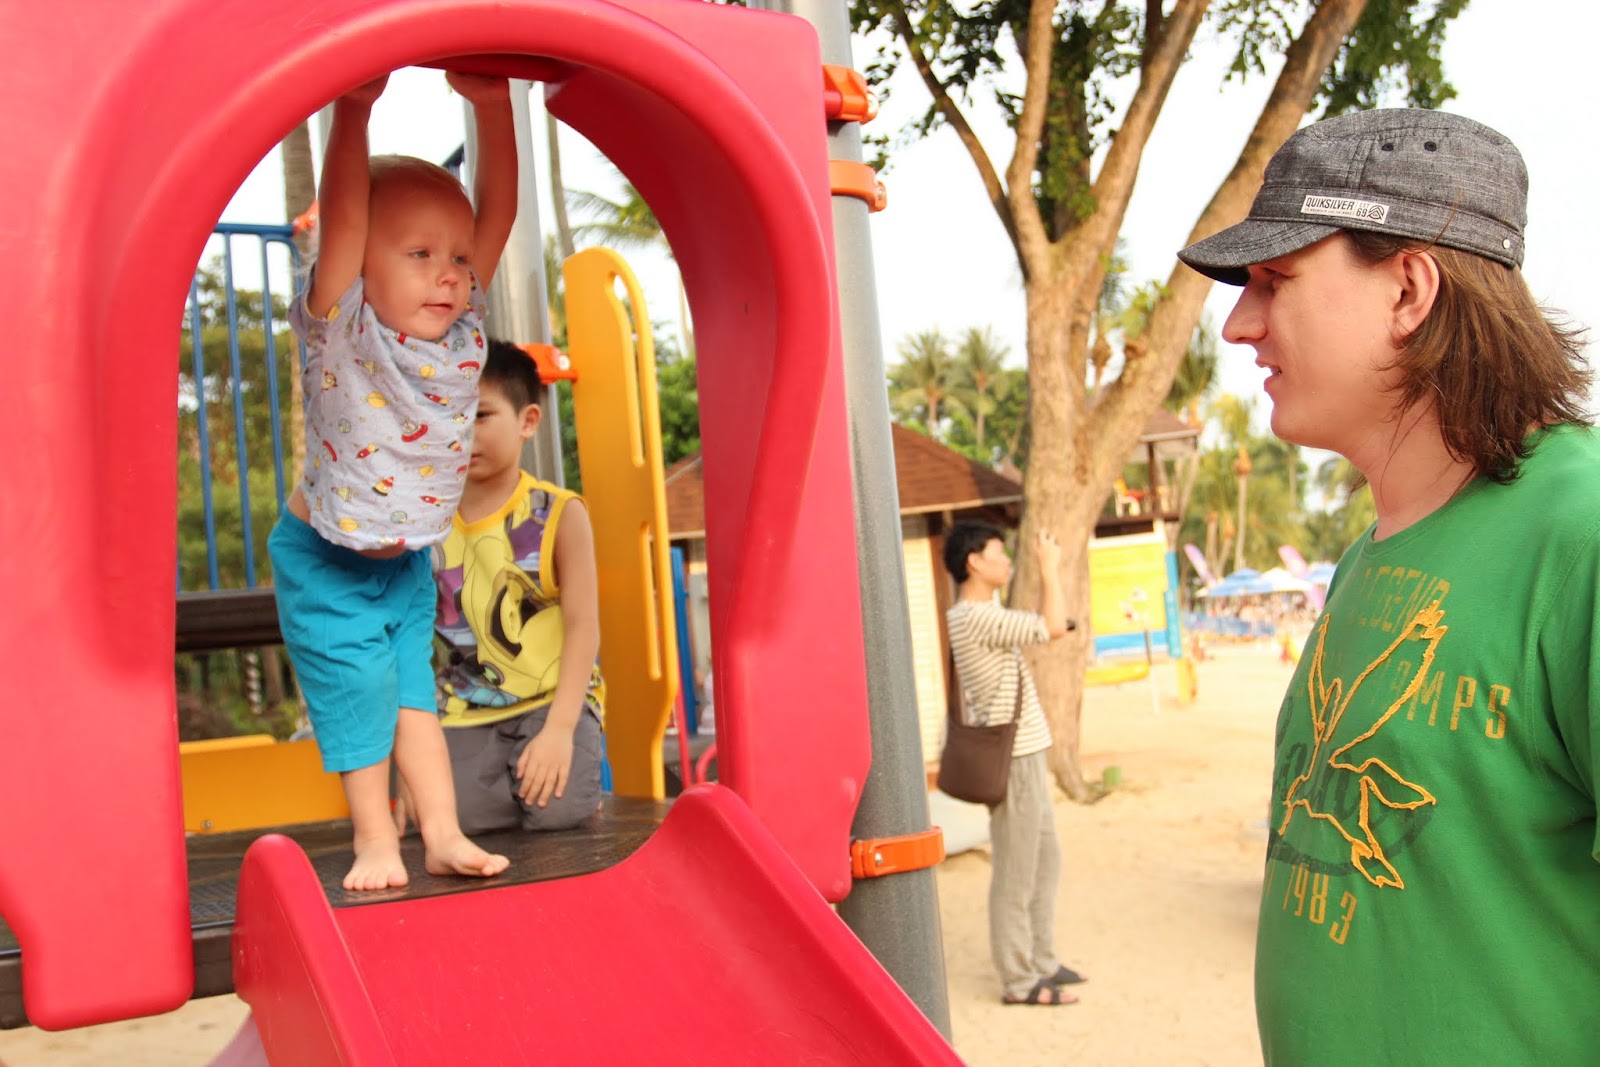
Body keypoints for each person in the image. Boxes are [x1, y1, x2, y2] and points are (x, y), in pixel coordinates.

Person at [1179, 109, 1596, 1064]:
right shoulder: (1371, 553)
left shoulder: (1583, 536)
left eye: (1274, 280)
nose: (1241, 323)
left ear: (1409, 290)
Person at [267, 71, 517, 891]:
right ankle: (376, 839)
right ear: (359, 262)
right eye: (418, 255)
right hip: (326, 559)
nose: (448, 274)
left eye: (455, 256)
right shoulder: (341, 324)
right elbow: (344, 216)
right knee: (360, 695)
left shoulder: (463, 329)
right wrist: (353, 106)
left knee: (416, 697)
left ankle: (441, 833)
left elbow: (498, 214)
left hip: (407, 564)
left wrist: (490, 107)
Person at [427, 340, 606, 833]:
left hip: (551, 700)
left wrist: (561, 731)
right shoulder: (427, 524)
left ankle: (577, 780)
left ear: (527, 421)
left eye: (480, 415)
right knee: (449, 825)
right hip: (467, 708)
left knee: (559, 814)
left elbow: (583, 626)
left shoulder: (558, 514)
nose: (464, 434)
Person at [942, 522, 1084, 1007]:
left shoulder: (986, 612)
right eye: (999, 554)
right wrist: (1048, 567)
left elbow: (1054, 624)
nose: (1008, 561)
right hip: (1014, 759)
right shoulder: (972, 616)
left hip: (1028, 751)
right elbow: (1051, 627)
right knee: (1016, 870)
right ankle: (1020, 981)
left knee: (1046, 860)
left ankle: (1041, 960)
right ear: (974, 562)